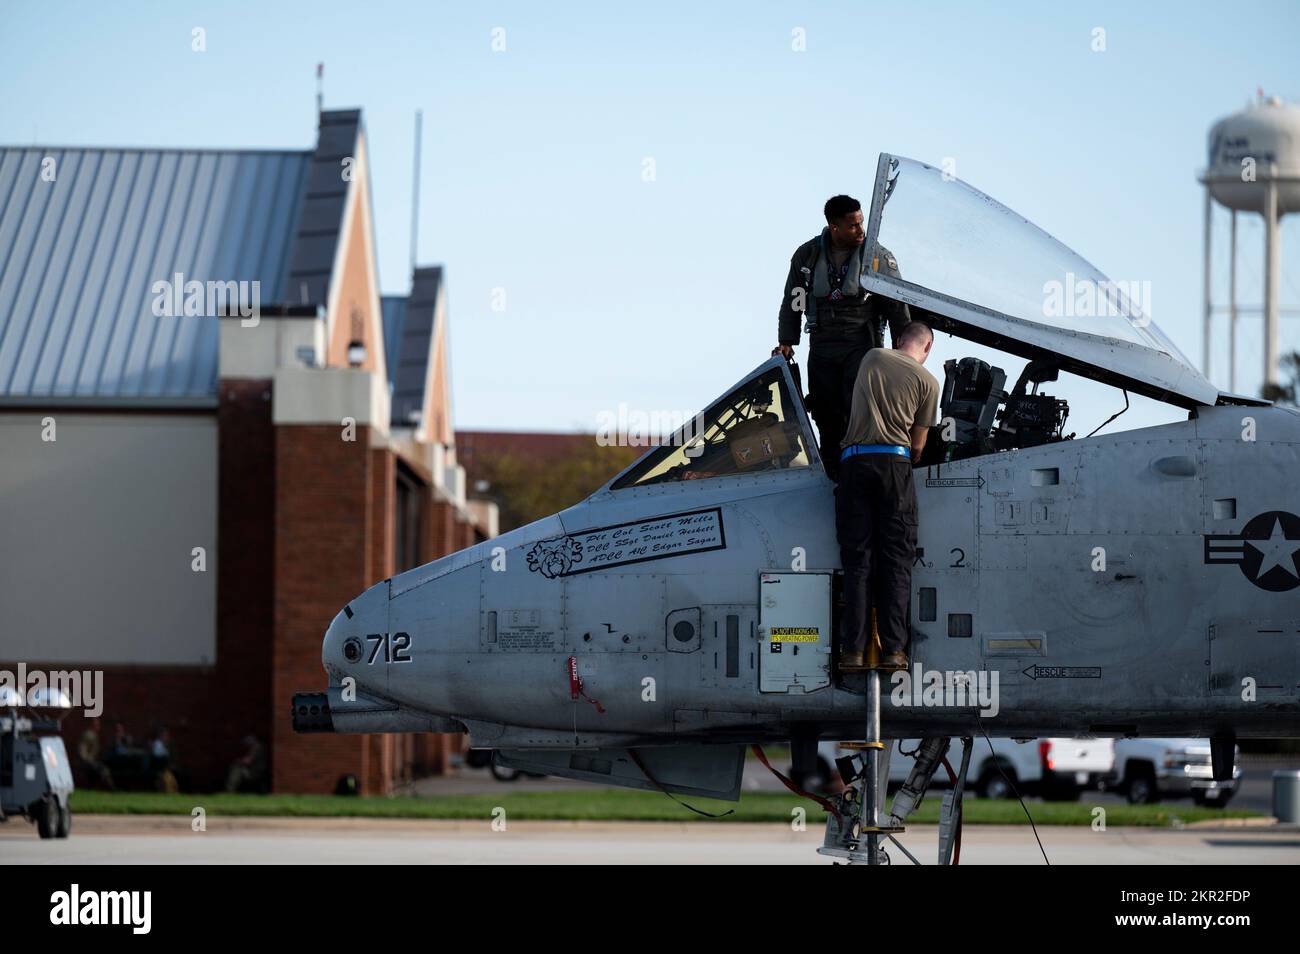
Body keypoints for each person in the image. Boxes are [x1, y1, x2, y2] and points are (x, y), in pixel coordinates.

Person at [775, 194, 910, 480]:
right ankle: (833, 476)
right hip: (821, 345)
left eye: (861, 223)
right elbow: (792, 301)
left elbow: (898, 309)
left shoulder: (879, 258)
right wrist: (787, 342)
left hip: (863, 345)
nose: (861, 231)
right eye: (853, 226)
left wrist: (905, 355)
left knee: (859, 411)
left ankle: (860, 474)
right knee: (825, 413)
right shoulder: (807, 256)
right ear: (834, 227)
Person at [836, 321, 939, 671]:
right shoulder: (929, 382)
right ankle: (894, 651)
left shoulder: (873, 357)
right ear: (927, 349)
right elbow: (918, 445)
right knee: (897, 560)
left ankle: (853, 651)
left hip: (854, 464)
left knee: (857, 560)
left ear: (898, 341)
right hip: (894, 467)